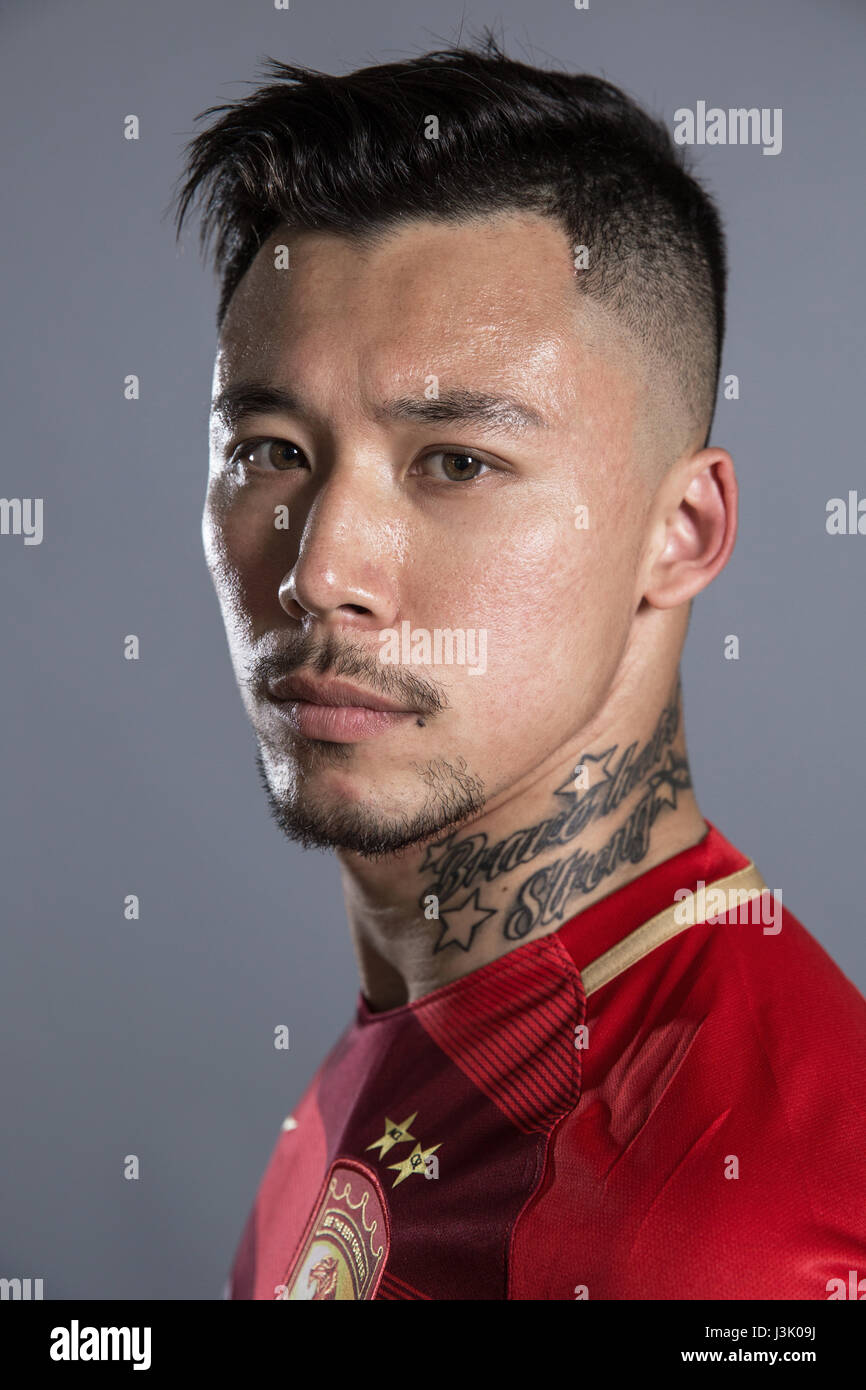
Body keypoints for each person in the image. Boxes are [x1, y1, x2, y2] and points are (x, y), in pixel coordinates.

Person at [172, 34, 866, 1300]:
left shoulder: (733, 1237)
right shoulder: (414, 1037)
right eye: (270, 449)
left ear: (681, 534)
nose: (322, 569)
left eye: (454, 461)